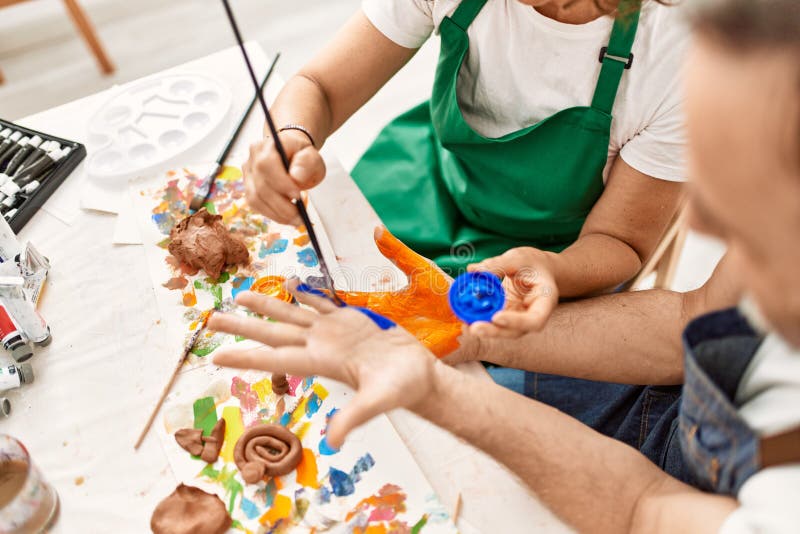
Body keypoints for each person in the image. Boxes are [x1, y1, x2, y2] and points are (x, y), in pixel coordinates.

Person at [210, 0, 800, 530]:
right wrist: (463, 334)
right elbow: (687, 320)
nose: (698, 229)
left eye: (748, 204)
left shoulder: (667, 51)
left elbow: (646, 506)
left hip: (649, 429)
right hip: (440, 199)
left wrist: (449, 385)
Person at [244, 0, 687, 332]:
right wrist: (290, 137)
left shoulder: (680, 56)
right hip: (427, 182)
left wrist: (556, 270)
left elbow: (620, 241)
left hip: (557, 256)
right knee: (311, 298)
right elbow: (319, 86)